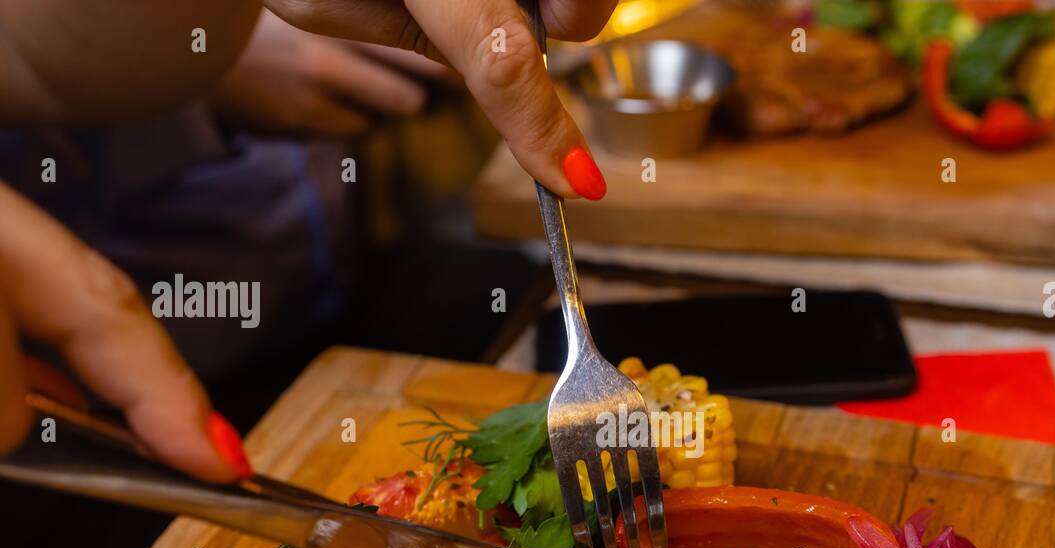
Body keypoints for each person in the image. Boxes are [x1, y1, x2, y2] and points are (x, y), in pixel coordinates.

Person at [0, 0, 615, 479]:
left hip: (335, 275)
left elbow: (36, 50)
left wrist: (208, 28)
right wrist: (217, 61)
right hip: (100, 394)